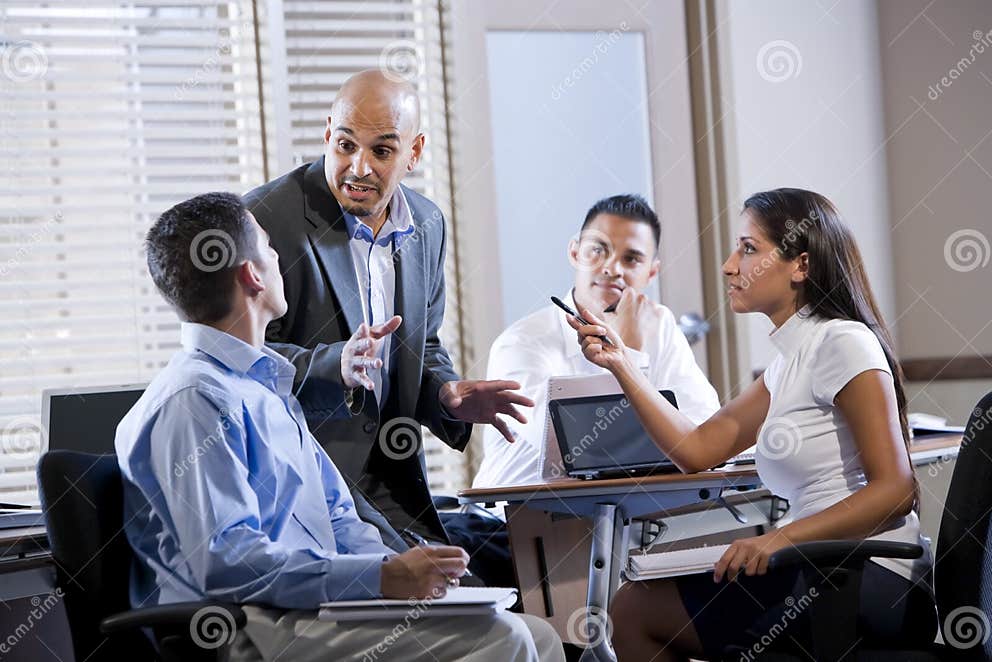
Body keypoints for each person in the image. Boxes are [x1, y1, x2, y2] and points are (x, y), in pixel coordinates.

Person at [115, 192, 564, 662]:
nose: (277, 258)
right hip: (251, 623)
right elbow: (227, 562)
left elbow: (337, 517)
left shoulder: (266, 383)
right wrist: (378, 579)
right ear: (251, 275)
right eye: (268, 249)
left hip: (313, 609)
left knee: (538, 634)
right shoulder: (194, 400)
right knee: (504, 640)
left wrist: (393, 568)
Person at [567, 188, 937, 661]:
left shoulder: (842, 343)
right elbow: (697, 448)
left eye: (748, 249)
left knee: (636, 611)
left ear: (801, 265)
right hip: (821, 567)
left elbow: (895, 490)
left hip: (869, 577)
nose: (728, 265)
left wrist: (780, 538)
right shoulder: (788, 362)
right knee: (637, 603)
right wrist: (622, 365)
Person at [243, 70, 530, 585]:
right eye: (346, 144)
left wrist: (446, 394)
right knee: (461, 610)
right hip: (310, 484)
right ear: (328, 133)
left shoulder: (427, 224)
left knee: (522, 576)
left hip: (395, 485)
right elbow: (241, 354)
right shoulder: (265, 217)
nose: (358, 167)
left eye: (381, 151)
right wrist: (336, 364)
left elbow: (425, 345)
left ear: (413, 153)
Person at [473, 194, 720, 488]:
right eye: (598, 250)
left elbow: (705, 433)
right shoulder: (521, 343)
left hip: (623, 518)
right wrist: (631, 355)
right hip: (509, 524)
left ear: (651, 271)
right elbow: (591, 453)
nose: (612, 268)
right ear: (575, 253)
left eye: (631, 259)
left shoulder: (660, 324)